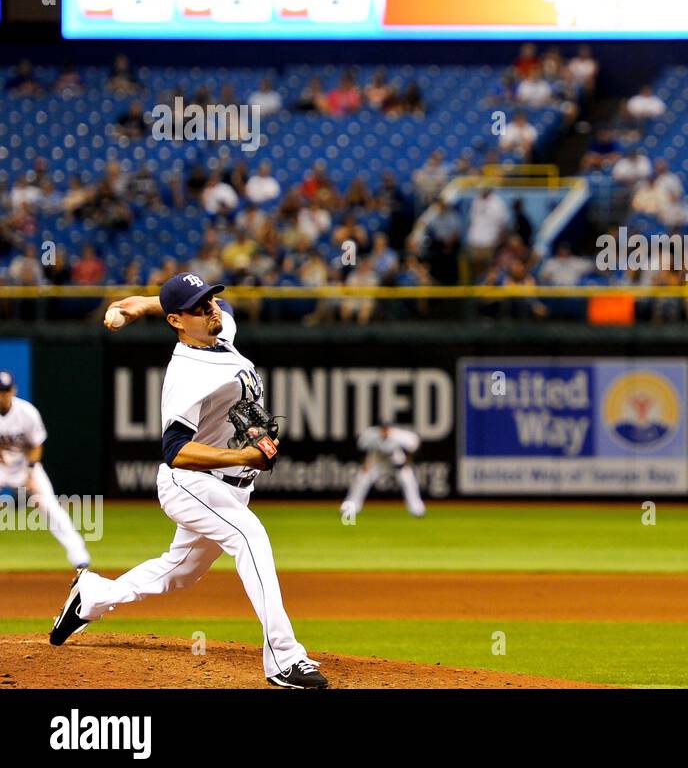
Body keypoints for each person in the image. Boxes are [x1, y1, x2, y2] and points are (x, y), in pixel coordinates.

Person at [49, 273, 328, 689]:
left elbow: (206, 309)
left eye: (211, 300)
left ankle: (91, 595)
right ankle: (284, 659)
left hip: (230, 487)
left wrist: (138, 305)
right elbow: (174, 450)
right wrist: (241, 455)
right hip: (190, 482)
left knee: (178, 572)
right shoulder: (186, 374)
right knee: (250, 537)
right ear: (178, 321)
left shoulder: (217, 332)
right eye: (199, 307)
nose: (212, 309)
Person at [0, 372, 90, 570]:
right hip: (1, 467)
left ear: (13, 391)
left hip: (26, 465)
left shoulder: (26, 412)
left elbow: (37, 444)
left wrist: (30, 474)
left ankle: (80, 558)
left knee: (50, 505)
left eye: (5, 391)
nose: (2, 396)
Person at [341, 424, 425, 519]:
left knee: (408, 480)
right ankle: (350, 509)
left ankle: (417, 510)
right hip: (377, 462)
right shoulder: (370, 435)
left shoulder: (401, 435)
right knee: (361, 479)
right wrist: (365, 462)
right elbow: (360, 449)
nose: (385, 431)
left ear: (390, 429)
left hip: (397, 462)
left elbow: (415, 446)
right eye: (383, 429)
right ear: (379, 429)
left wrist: (407, 460)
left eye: (387, 429)